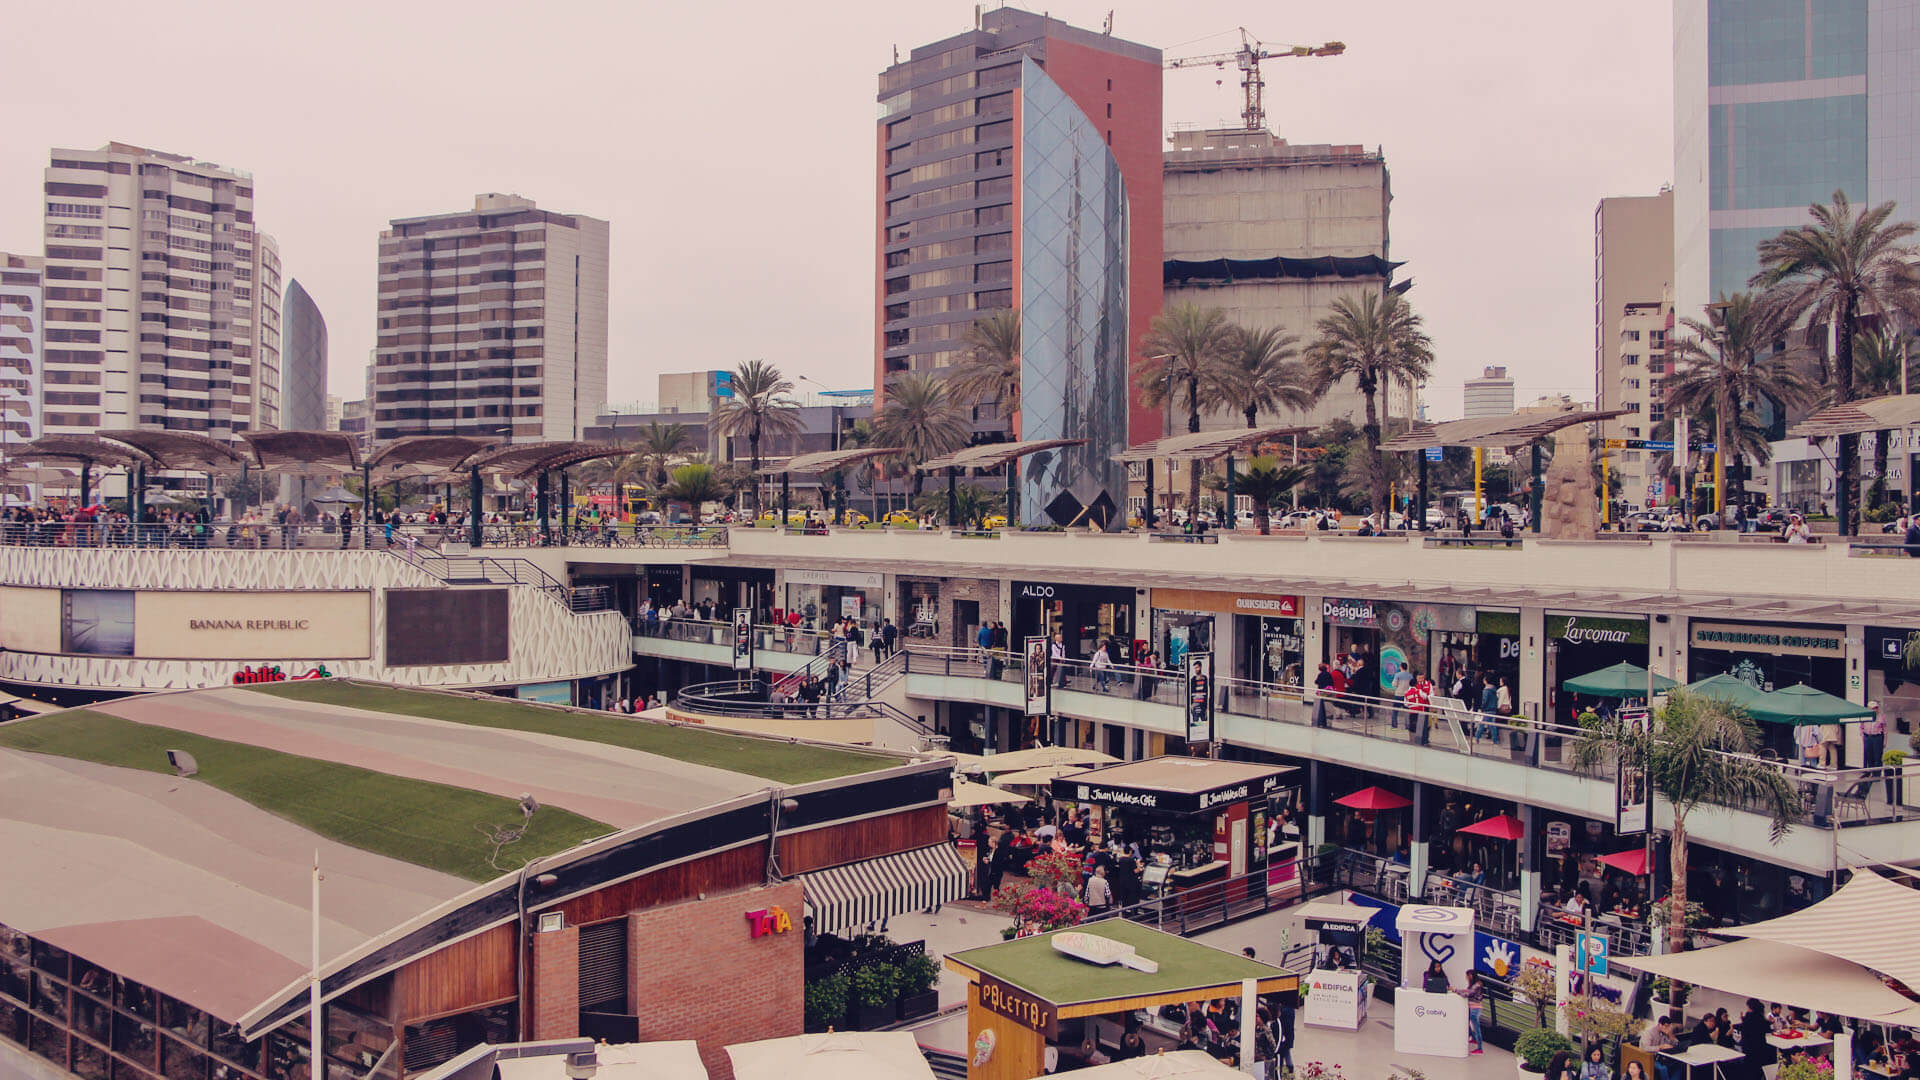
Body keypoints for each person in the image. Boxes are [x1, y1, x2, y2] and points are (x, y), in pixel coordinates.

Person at [1453, 970, 1486, 1054]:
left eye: (1467, 976)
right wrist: (1458, 990)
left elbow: (1467, 994)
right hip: (1472, 1007)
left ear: (1470, 976)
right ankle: (1474, 1039)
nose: (1466, 978)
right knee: (1468, 1023)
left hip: (1475, 1008)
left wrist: (1456, 990)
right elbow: (1467, 991)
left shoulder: (1477, 985)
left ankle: (1480, 1048)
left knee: (1476, 1028)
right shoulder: (1474, 984)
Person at [1642, 1014, 1680, 1080]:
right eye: (1666, 1026)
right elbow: (1645, 1048)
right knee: (1663, 1068)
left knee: (1678, 1064)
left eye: (1669, 1026)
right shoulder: (1649, 1033)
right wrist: (1660, 1047)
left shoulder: (1666, 1032)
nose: (1667, 1028)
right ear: (1660, 1025)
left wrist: (1670, 1035)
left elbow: (1676, 1044)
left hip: (1663, 1057)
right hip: (1651, 1057)